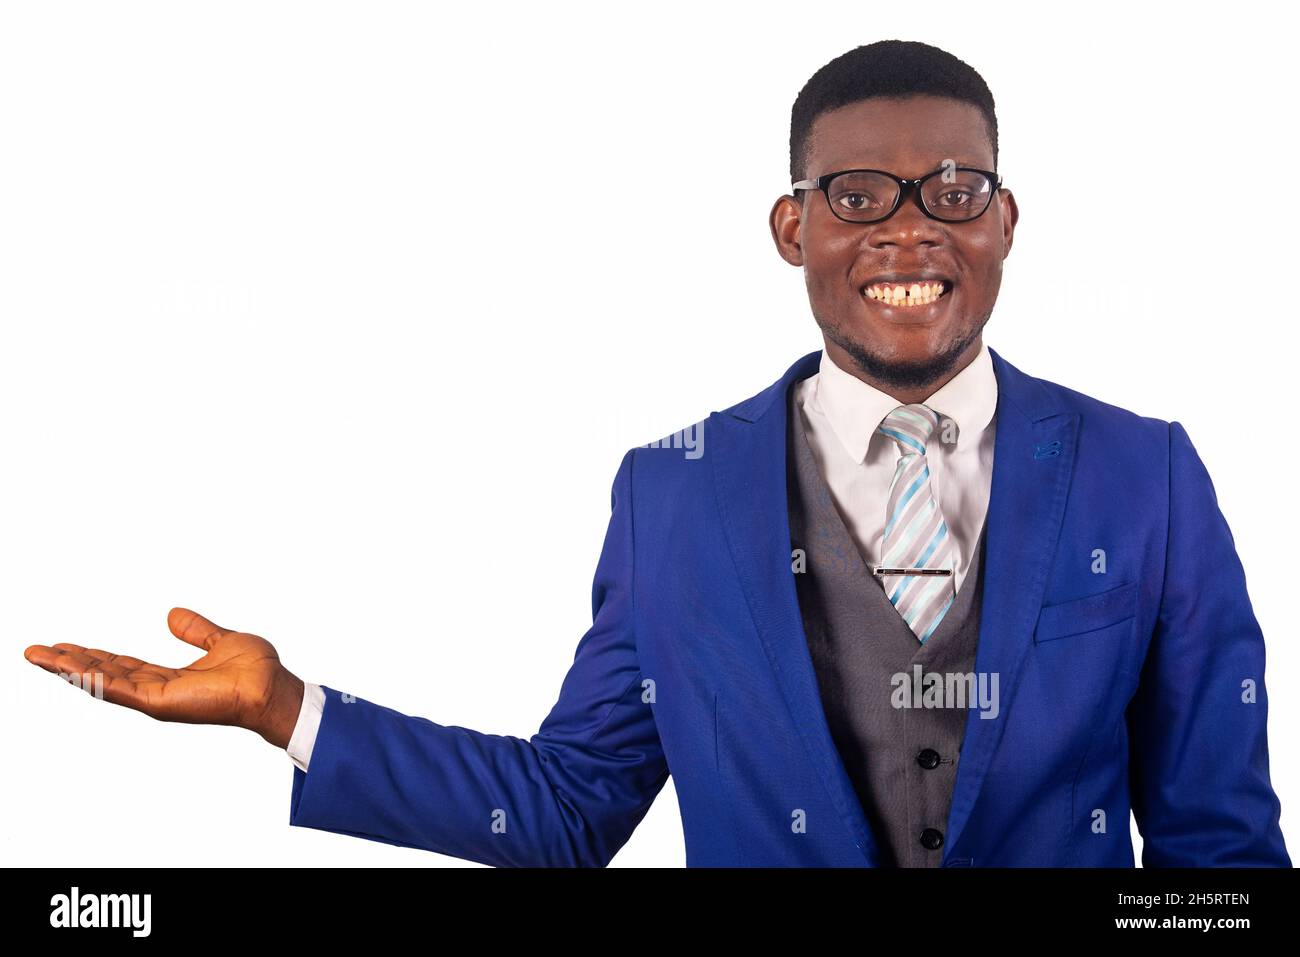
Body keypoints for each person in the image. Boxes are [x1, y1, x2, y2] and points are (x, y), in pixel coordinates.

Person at [23, 40, 1290, 867]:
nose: (909, 231)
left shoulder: (1148, 475)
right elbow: (575, 808)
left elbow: (1216, 855)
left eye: (953, 190)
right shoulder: (672, 493)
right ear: (792, 229)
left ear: (1003, 220)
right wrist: (286, 713)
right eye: (857, 196)